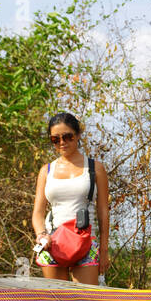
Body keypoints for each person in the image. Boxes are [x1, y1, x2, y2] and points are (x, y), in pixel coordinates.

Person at [31, 112, 111, 285]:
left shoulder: (95, 168)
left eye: (67, 137)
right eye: (55, 139)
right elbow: (37, 213)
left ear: (78, 135)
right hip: (53, 243)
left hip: (86, 242)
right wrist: (42, 235)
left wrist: (104, 249)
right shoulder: (46, 171)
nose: (62, 143)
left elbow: (103, 211)